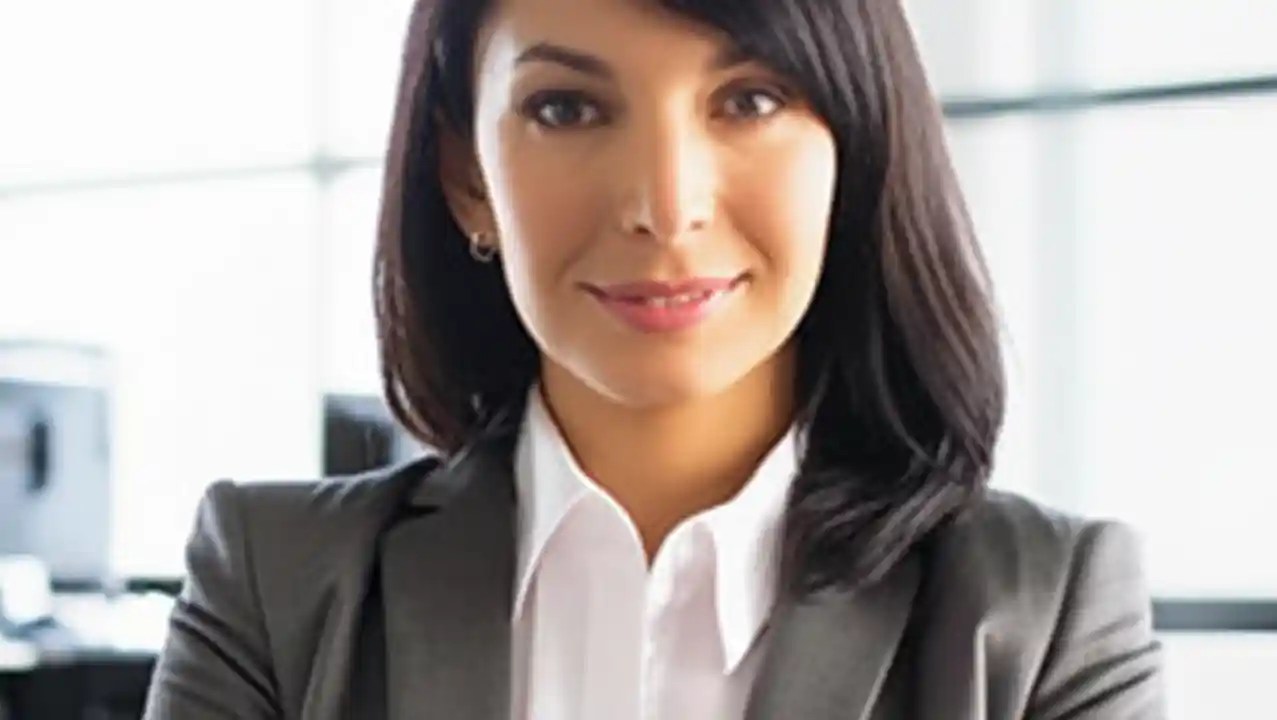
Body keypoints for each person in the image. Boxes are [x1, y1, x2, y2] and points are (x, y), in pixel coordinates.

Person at [143, 0, 1167, 717]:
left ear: (851, 144)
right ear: (466, 176)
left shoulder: (1040, 619)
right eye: (566, 108)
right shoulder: (277, 588)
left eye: (749, 100)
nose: (664, 206)